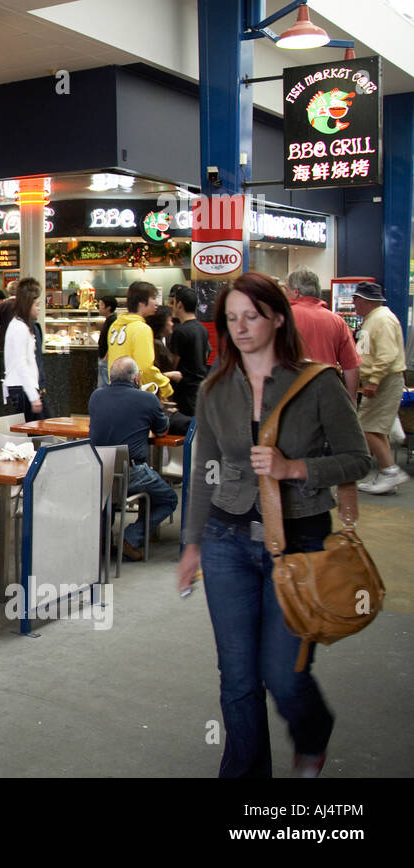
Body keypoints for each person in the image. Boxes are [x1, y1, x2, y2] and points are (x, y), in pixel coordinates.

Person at [178, 272, 372, 778]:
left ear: (277, 318)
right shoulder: (217, 388)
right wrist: (193, 543)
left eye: (252, 316)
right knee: (238, 680)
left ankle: (312, 734)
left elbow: (358, 460)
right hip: (226, 542)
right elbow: (205, 471)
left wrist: (296, 468)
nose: (240, 328)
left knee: (284, 676)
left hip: (301, 542)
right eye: (231, 319)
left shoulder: (319, 383)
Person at [89, 356, 178, 560]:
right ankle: (131, 537)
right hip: (132, 472)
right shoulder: (147, 399)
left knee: (107, 497)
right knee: (169, 499)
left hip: (98, 470)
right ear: (137, 377)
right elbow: (162, 430)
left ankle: (100, 541)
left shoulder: (96, 396)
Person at [350, 281, 409, 494]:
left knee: (367, 427)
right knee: (376, 428)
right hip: (381, 380)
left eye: (356, 299)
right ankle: (387, 474)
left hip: (384, 381)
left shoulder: (382, 320)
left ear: (366, 300)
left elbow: (387, 354)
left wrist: (374, 380)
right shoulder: (374, 319)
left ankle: (391, 471)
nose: (353, 303)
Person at [285, 269, 360, 401]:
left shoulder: (283, 318)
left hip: (292, 397)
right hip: (327, 396)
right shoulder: (338, 321)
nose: (285, 294)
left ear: (296, 292)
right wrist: (352, 401)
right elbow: (351, 367)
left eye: (287, 289)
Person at [106, 281, 173, 401]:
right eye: (153, 298)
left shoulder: (115, 326)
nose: (156, 303)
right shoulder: (142, 329)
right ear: (142, 303)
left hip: (115, 391)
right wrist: (165, 387)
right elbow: (145, 368)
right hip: (135, 394)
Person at [1, 278, 45, 421]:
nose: (39, 308)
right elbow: (21, 363)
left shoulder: (20, 325)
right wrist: (33, 396)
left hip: (23, 387)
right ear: (28, 305)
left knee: (35, 434)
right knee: (35, 434)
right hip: (22, 388)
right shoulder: (20, 328)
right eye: (37, 305)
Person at [169, 286, 212, 418]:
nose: (172, 306)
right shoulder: (201, 329)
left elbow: (173, 362)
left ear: (180, 304)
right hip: (199, 385)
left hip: (184, 389)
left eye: (173, 303)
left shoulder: (180, 331)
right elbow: (208, 352)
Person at [96, 295, 118, 389]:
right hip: (104, 358)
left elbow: (113, 341)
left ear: (108, 307)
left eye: (101, 305)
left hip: (106, 360)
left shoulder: (113, 321)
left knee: (105, 386)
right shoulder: (109, 320)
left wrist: (105, 357)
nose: (99, 308)